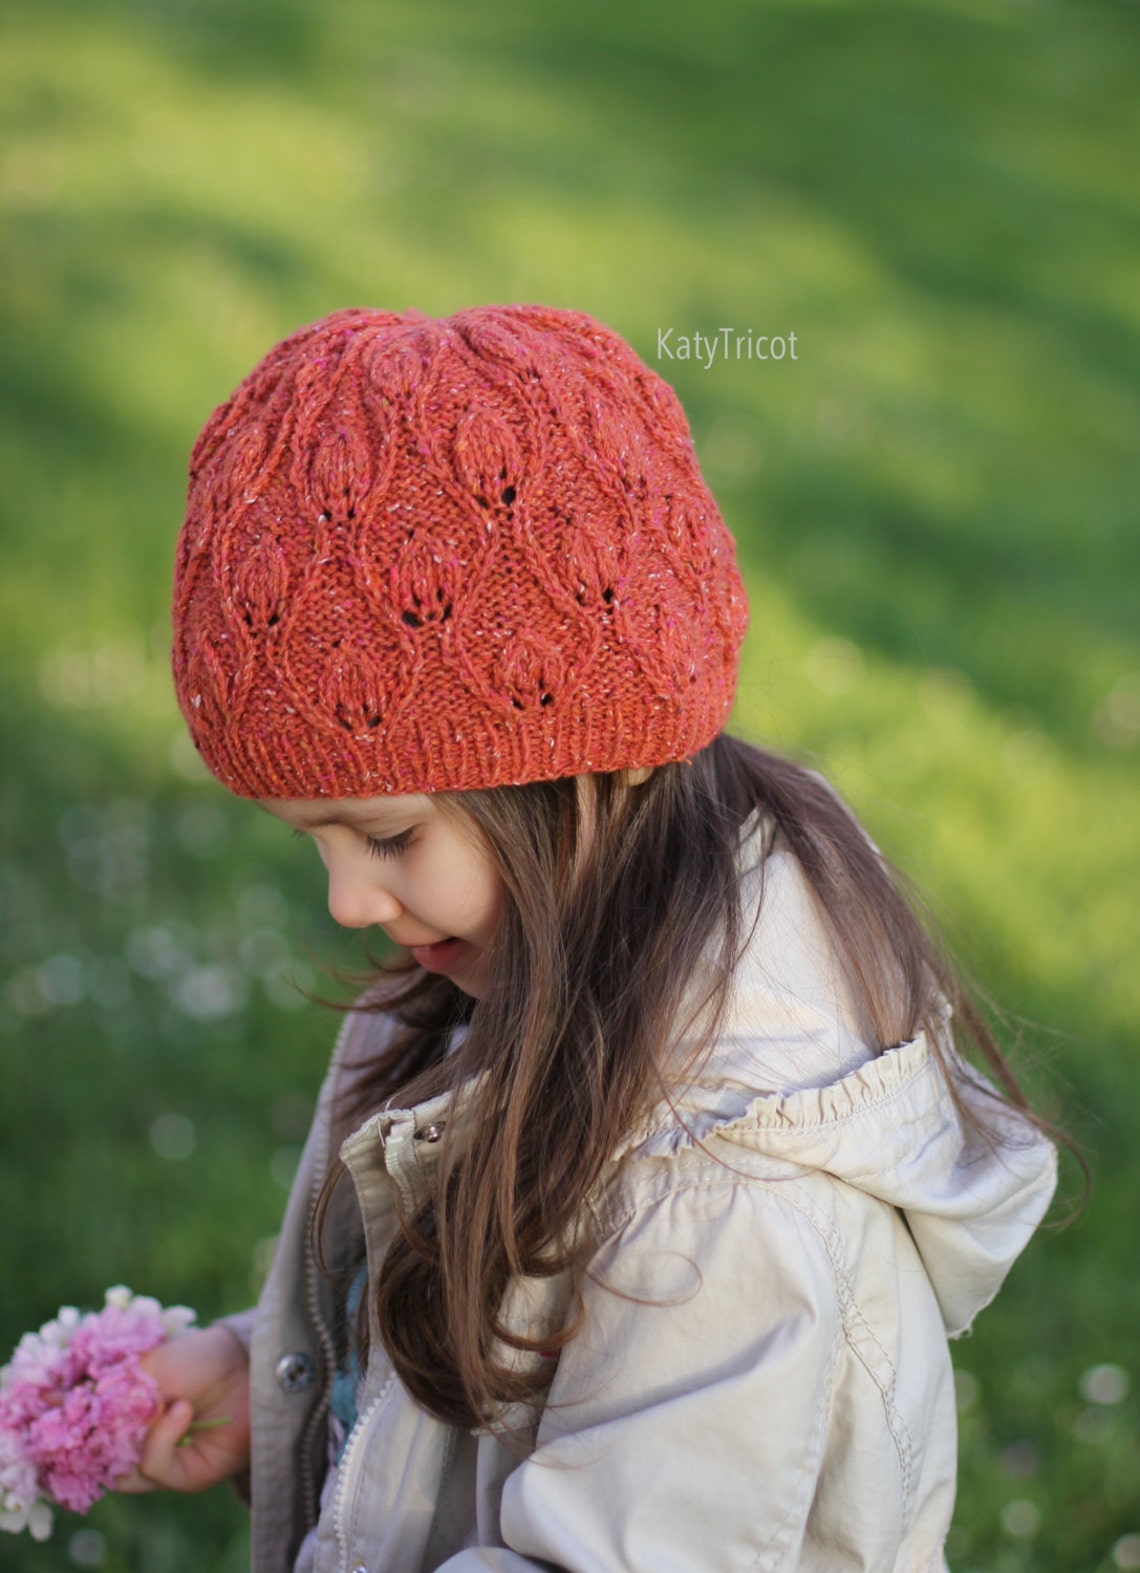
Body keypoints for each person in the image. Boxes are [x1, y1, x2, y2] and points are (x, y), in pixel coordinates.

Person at [118, 305, 1058, 1572]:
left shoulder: (725, 1200)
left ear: (587, 772)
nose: (347, 899)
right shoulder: (527, 956)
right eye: (312, 840)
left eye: (386, 837)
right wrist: (271, 1364)